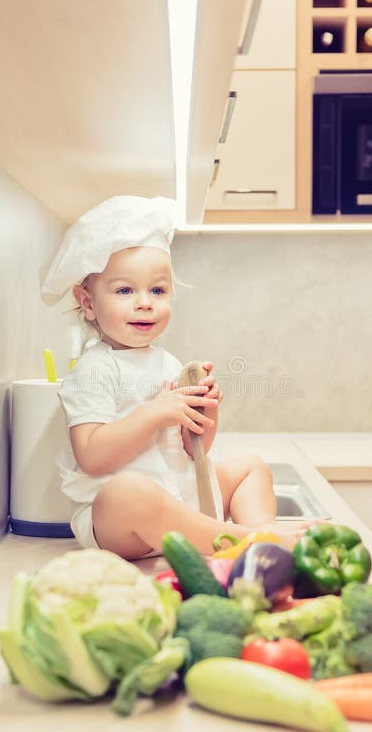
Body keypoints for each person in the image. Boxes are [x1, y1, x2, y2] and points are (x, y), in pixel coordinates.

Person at [40, 195, 310, 560]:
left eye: (157, 290)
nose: (145, 302)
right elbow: (91, 456)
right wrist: (155, 412)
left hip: (180, 501)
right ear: (87, 303)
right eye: (124, 290)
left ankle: (261, 528)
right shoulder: (94, 369)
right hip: (123, 525)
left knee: (250, 465)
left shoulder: (168, 364)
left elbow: (193, 451)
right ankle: (242, 541)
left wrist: (204, 413)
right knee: (127, 492)